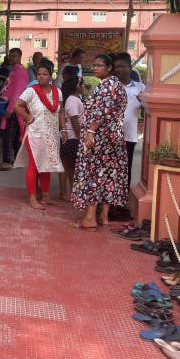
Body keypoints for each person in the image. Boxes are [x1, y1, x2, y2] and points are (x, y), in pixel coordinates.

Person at [70, 53, 129, 231]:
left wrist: (90, 132)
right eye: (94, 65)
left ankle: (90, 218)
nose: (94, 68)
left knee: (94, 173)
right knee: (110, 174)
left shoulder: (107, 86)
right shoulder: (117, 85)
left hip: (100, 136)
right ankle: (103, 215)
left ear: (109, 68)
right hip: (113, 136)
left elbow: (102, 111)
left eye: (99, 65)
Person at [13, 61, 65, 210]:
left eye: (45, 74)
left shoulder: (57, 91)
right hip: (35, 133)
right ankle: (32, 198)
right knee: (34, 165)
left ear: (51, 76)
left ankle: (46, 196)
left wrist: (64, 129)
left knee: (46, 164)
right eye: (39, 74)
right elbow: (17, 106)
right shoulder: (31, 91)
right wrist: (28, 117)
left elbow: (61, 111)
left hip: (52, 134)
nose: (41, 77)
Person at [111, 52, 146, 220]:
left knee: (125, 172)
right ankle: (108, 205)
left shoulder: (140, 87)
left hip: (129, 137)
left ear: (129, 68)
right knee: (110, 172)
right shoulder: (110, 86)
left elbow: (148, 111)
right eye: (116, 67)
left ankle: (121, 204)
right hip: (110, 137)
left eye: (121, 66)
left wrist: (143, 102)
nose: (118, 70)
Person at [0, 48, 29, 170]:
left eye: (14, 56)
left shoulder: (19, 72)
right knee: (14, 136)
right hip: (12, 106)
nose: (11, 58)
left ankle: (7, 161)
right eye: (10, 56)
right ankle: (15, 160)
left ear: (20, 57)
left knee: (8, 136)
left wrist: (10, 109)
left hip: (14, 108)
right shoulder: (14, 70)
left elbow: (17, 93)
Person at [59, 77, 83, 200]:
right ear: (77, 86)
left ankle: (71, 191)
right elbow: (74, 119)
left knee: (72, 165)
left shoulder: (74, 98)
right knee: (66, 165)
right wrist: (79, 136)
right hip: (71, 136)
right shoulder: (73, 100)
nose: (83, 87)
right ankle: (63, 192)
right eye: (81, 84)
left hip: (72, 136)